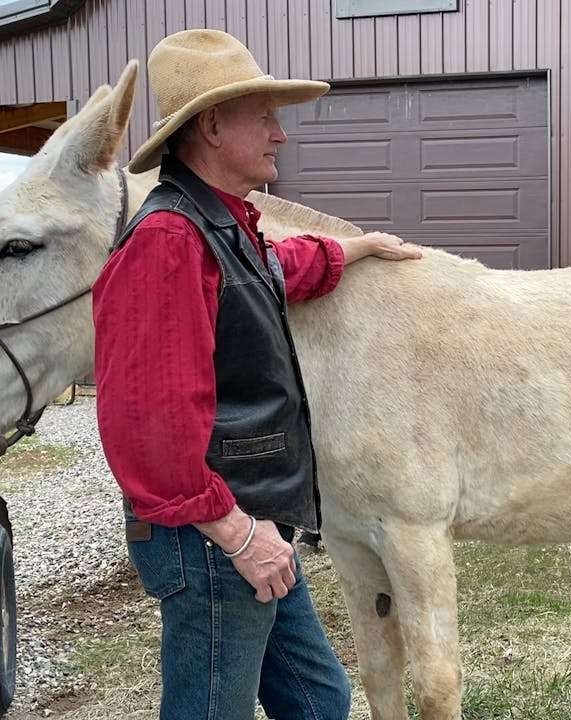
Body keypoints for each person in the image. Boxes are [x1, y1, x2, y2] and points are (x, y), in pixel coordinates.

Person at [93, 29, 421, 719]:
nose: (281, 135)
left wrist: (357, 248)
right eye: (265, 117)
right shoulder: (167, 242)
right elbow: (149, 430)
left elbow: (277, 271)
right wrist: (240, 536)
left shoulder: (222, 228)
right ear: (212, 124)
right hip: (214, 537)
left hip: (250, 521)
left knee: (319, 700)